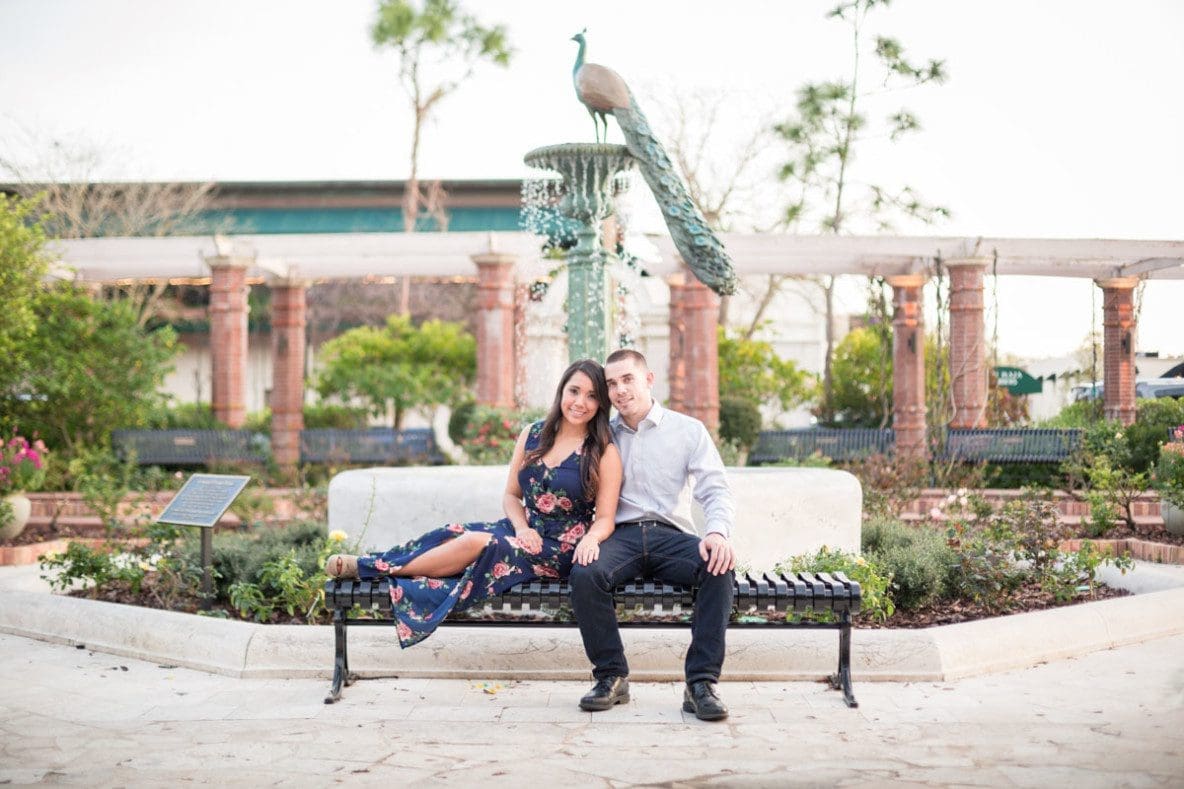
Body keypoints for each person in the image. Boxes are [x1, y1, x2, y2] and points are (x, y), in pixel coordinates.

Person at [325, 359, 622, 648]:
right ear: (562, 391)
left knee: (482, 543)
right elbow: (511, 496)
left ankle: (374, 568)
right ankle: (385, 560)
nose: (580, 402)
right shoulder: (533, 435)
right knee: (454, 532)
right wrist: (521, 528)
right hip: (522, 531)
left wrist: (591, 540)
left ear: (600, 404)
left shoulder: (602, 451)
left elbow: (606, 518)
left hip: (560, 548)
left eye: (592, 396)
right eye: (574, 391)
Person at [569, 348, 736, 721]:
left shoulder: (687, 430)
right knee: (584, 573)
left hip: (671, 535)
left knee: (719, 567)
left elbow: (715, 489)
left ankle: (701, 684)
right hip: (621, 536)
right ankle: (611, 676)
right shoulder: (601, 435)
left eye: (627, 379)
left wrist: (717, 533)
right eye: (611, 384)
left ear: (648, 379)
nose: (619, 390)